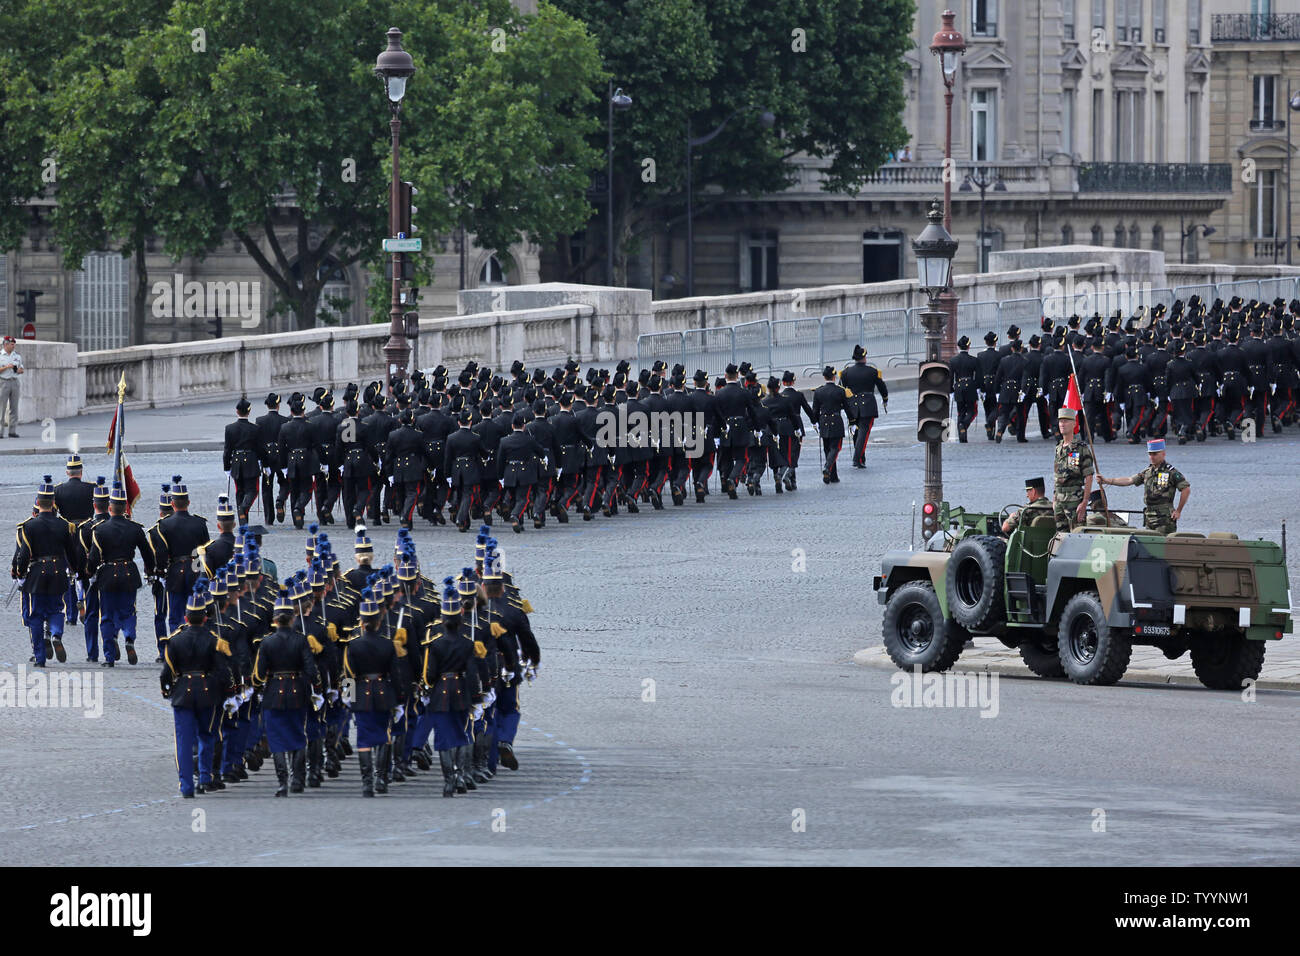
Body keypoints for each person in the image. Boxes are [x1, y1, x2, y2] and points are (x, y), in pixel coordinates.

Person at [160, 582, 231, 797]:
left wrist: (167, 690)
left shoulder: (175, 641)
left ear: (186, 618)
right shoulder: (214, 641)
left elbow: (167, 672)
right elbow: (222, 672)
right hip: (207, 692)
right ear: (205, 618)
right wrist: (221, 693)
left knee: (183, 741)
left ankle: (186, 786)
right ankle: (205, 777)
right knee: (207, 736)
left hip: (183, 692)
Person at [251, 578, 321, 796]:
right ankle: (298, 779)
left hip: (274, 693)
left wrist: (256, 685)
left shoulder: (267, 642)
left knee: (277, 740)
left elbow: (258, 675)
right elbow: (311, 670)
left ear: (274, 620)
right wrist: (313, 687)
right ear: (292, 619)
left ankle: (283, 782)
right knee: (298, 736)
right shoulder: (301, 640)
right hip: (297, 691)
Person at [85, 481, 156, 667]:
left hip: (107, 574)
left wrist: (89, 571)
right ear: (125, 508)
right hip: (128, 572)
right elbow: (147, 553)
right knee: (129, 611)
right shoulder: (135, 528)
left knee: (107, 615)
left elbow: (93, 557)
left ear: (109, 508)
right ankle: (129, 639)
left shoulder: (99, 529)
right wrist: (151, 570)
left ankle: (109, 657)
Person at [13, 475, 77, 666]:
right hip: (58, 570)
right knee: (57, 609)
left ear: (38, 503)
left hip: (37, 573)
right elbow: (71, 553)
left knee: (36, 615)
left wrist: (20, 574)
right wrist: (75, 570)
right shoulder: (64, 525)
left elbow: (24, 554)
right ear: (53, 503)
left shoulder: (29, 526)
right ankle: (56, 634)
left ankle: (40, 658)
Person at [1096, 438, 1190, 534]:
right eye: (1150, 454)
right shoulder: (1148, 472)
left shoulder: (1171, 472)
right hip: (1149, 516)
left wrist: (1178, 510)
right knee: (1149, 544)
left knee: (1162, 546)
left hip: (1164, 518)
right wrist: (1107, 481)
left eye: (1155, 454)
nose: (1152, 457)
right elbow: (1129, 480)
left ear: (1163, 454)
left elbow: (1185, 489)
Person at [840, 345, 888, 467]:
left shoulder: (845, 372)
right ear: (864, 357)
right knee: (863, 433)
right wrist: (885, 398)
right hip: (867, 404)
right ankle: (857, 458)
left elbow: (841, 389)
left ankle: (861, 457)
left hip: (852, 405)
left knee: (856, 432)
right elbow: (882, 387)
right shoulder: (872, 371)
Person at [1052, 408, 1095, 531]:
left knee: (1077, 536)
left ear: (1074, 423)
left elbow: (1089, 476)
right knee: (1061, 537)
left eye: (1066, 421)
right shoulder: (1058, 448)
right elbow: (1057, 475)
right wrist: (1054, 498)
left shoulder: (1081, 448)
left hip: (1074, 500)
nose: (1062, 425)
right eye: (1060, 421)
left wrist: (1085, 501)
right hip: (1060, 500)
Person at [223, 397, 261, 524]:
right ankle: (243, 509)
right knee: (252, 490)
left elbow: (227, 450)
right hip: (250, 461)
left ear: (237, 411)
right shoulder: (255, 428)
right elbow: (259, 448)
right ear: (248, 412)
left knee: (240, 490)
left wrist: (226, 467)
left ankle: (242, 520)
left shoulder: (230, 428)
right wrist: (264, 463)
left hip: (237, 462)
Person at [811, 365, 850, 483]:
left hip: (823, 421)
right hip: (836, 420)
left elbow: (815, 410)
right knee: (835, 448)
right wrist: (852, 421)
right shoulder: (840, 390)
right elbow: (847, 408)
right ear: (834, 377)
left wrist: (815, 422)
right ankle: (827, 468)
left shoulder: (818, 391)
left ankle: (832, 476)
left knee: (827, 449)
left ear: (824, 377)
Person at [0, 335, 25, 437]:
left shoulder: (17, 356)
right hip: (3, 382)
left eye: (14, 344)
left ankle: (12, 431)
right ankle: (0, 432)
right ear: (5, 344)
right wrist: (6, 367)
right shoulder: (0, 356)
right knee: (1, 407)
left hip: (15, 382)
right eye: (11, 344)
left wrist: (17, 370)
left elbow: (22, 369)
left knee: (14, 407)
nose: (13, 346)